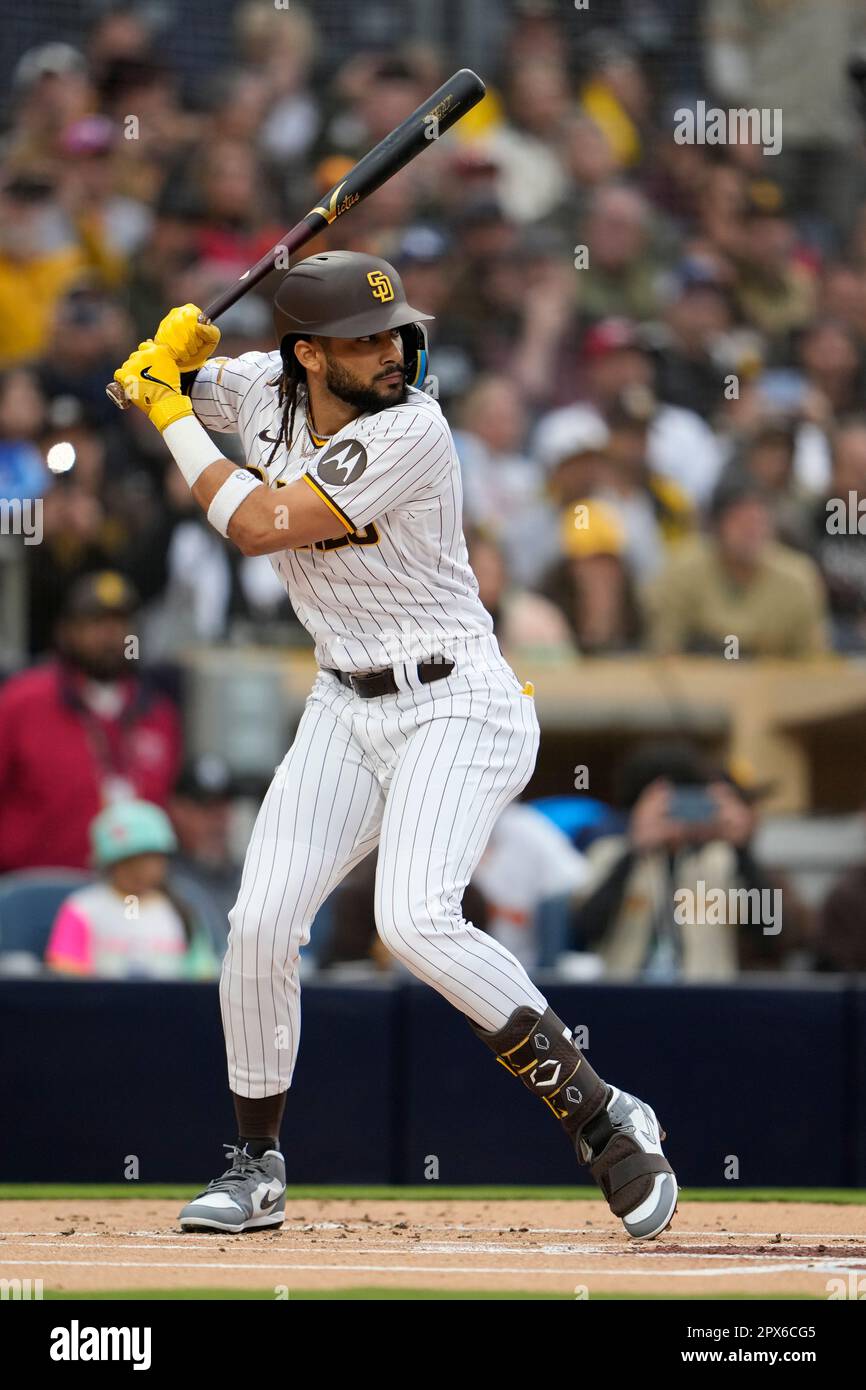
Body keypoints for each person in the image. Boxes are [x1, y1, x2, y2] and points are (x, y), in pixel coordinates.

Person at [111, 252, 678, 1239]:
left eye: (394, 333)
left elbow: (260, 523)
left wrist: (167, 406)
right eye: (362, 339)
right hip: (343, 701)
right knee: (258, 921)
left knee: (412, 919)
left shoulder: (413, 428)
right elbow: (151, 387)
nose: (390, 351)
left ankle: (601, 1114)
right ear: (306, 355)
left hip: (458, 700)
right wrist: (169, 364)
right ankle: (255, 1165)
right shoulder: (260, 387)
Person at [0, 571, 181, 872]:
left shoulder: (158, 714)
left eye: (120, 624)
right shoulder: (21, 702)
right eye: (96, 624)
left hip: (127, 890)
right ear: (66, 632)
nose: (110, 636)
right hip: (32, 887)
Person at [644, 478, 829, 658]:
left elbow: (813, 661)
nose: (751, 532)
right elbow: (665, 650)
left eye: (759, 522)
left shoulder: (797, 580)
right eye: (740, 521)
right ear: (716, 526)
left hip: (773, 677)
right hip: (697, 676)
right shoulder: (683, 571)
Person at [45, 799, 217, 980]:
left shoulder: (182, 911)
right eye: (130, 861)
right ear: (110, 863)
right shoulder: (82, 909)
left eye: (151, 858)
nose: (142, 869)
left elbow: (202, 976)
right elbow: (65, 975)